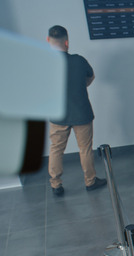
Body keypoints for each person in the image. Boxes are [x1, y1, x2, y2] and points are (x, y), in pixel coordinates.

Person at [46, 25, 106, 196]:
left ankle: (56, 185)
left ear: (47, 41)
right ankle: (90, 181)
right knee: (85, 149)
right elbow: (90, 76)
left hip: (57, 114)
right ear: (67, 42)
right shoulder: (79, 61)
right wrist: (80, 86)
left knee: (56, 149)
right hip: (81, 112)